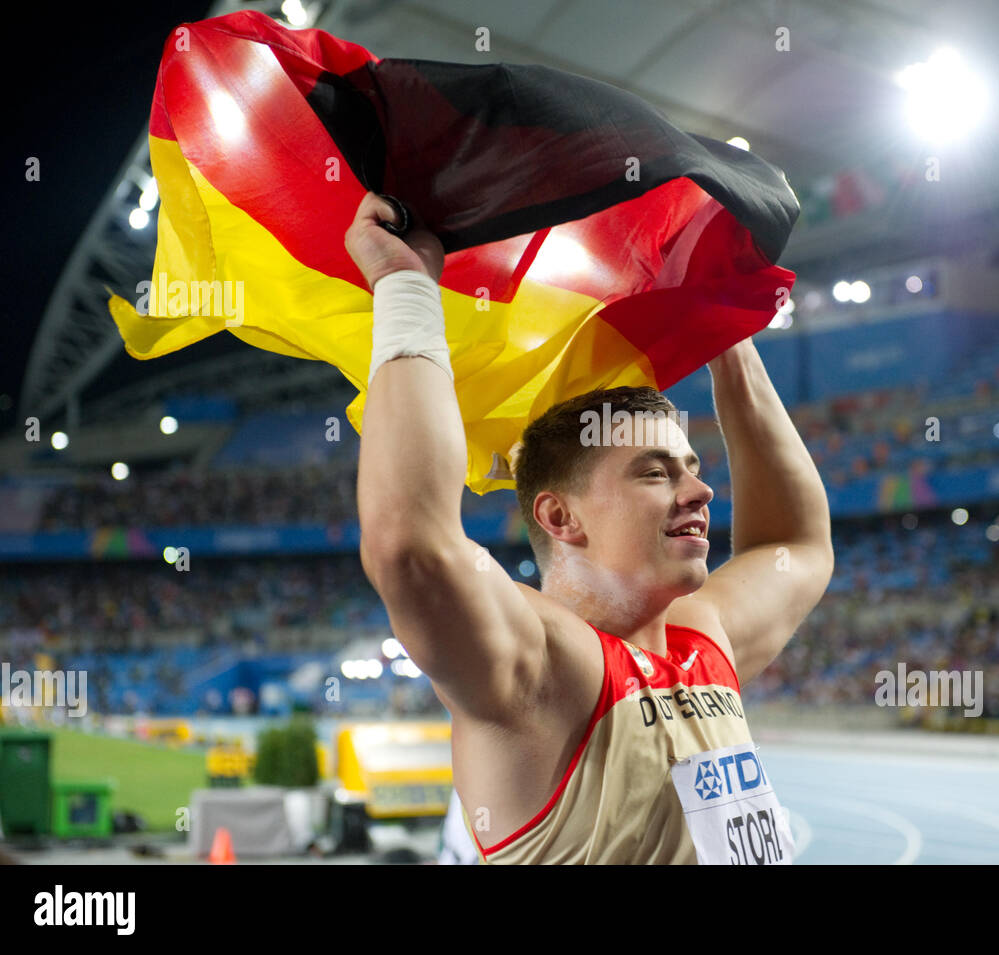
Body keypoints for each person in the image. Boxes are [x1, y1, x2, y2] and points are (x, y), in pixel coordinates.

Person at [347, 192, 833, 864]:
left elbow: (794, 546)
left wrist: (728, 339)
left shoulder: (701, 640)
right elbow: (410, 544)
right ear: (559, 516)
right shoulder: (544, 666)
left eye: (691, 465)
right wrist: (404, 288)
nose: (699, 490)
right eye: (655, 472)